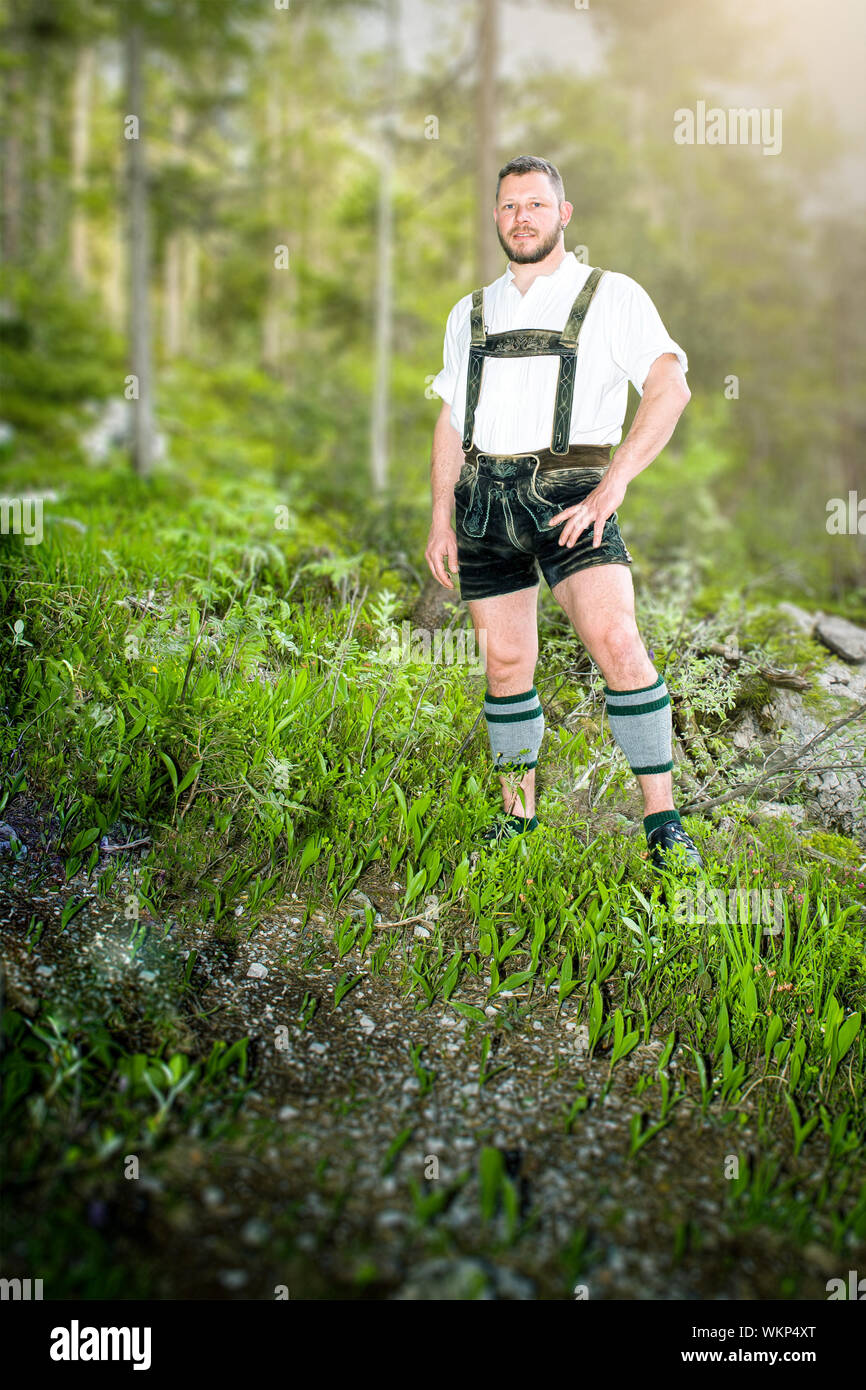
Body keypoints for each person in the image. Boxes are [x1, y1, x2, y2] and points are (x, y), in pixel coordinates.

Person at [425, 154, 703, 873]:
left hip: (570, 493)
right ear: (496, 217)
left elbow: (669, 389)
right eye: (510, 205)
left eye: (537, 205)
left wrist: (612, 488)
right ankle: (518, 821)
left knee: (616, 640)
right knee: (507, 663)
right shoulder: (471, 311)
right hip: (483, 503)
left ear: (564, 214)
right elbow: (452, 419)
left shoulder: (611, 295)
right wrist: (438, 517)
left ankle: (664, 825)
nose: (523, 216)